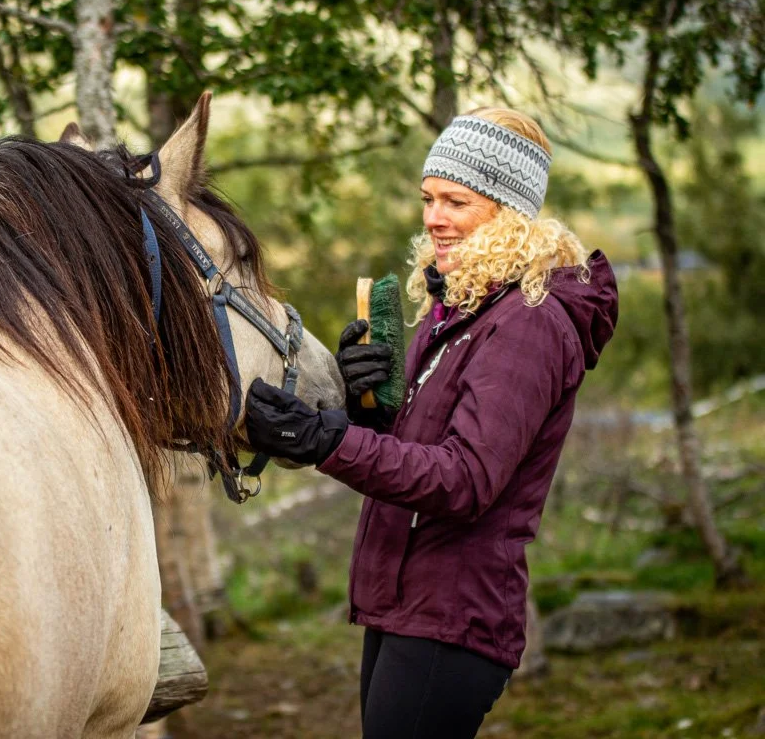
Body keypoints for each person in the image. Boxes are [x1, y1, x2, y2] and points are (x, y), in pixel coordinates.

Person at [243, 107, 618, 739]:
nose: (433, 218)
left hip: (454, 613)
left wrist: (326, 442)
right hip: (406, 600)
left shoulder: (526, 323)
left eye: (456, 201)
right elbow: (424, 448)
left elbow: (467, 479)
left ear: (506, 210)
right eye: (428, 198)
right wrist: (369, 410)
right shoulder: (462, 306)